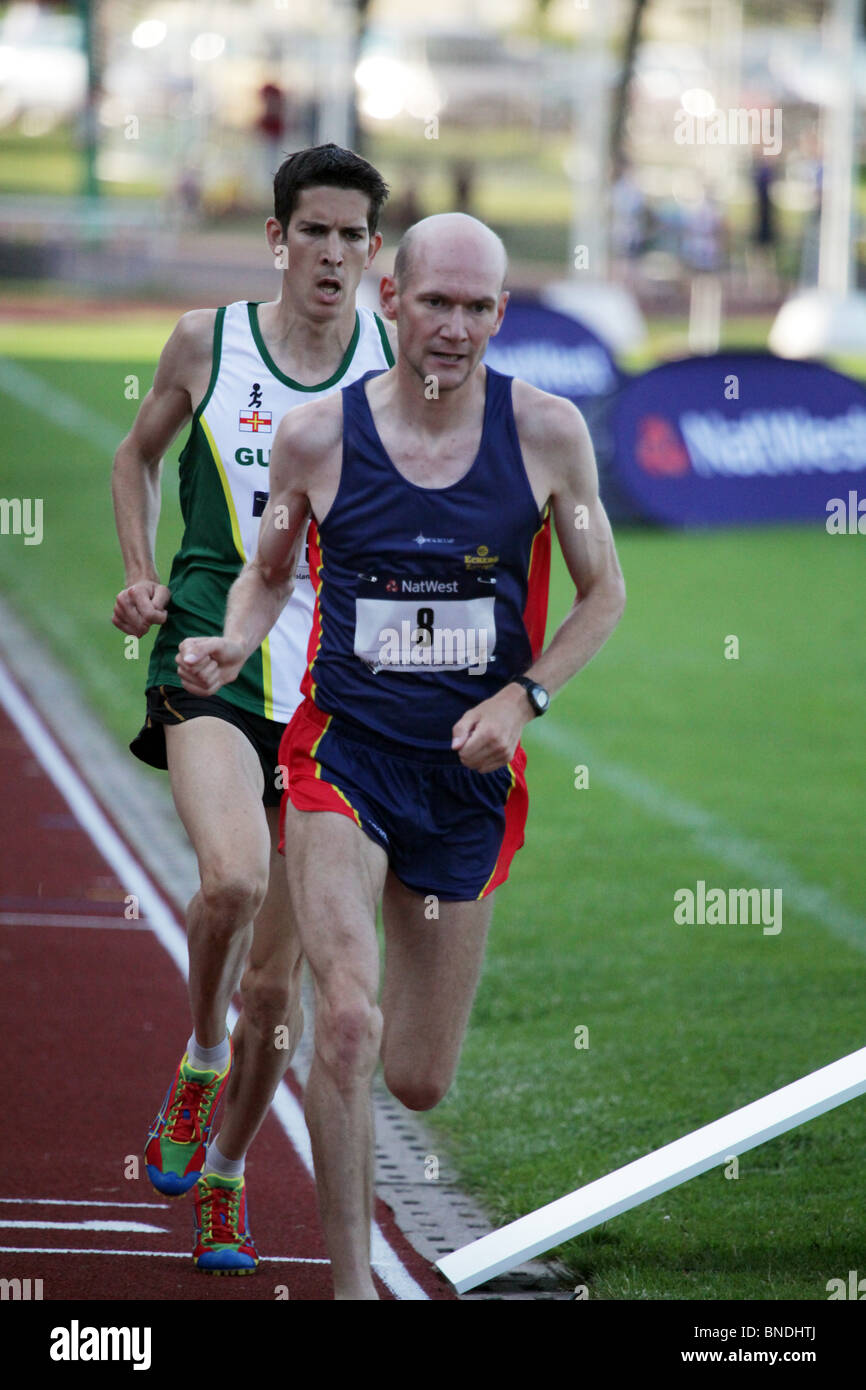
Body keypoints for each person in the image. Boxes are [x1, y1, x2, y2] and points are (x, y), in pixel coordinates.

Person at [176, 212, 626, 1298]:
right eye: (435, 302)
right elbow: (271, 570)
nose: (455, 328)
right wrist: (236, 636)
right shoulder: (320, 440)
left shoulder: (547, 433)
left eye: (477, 307)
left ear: (500, 316)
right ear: (392, 300)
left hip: (465, 779)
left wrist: (522, 699)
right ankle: (350, 1288)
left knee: (417, 1077)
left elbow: (601, 592)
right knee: (345, 1022)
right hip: (343, 755)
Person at [111, 143, 393, 1274]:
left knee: (285, 984)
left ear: (374, 254)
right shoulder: (206, 340)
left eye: (351, 236)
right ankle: (197, 1049)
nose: (331, 254)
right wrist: (137, 574)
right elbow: (132, 458)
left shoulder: (390, 362)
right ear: (277, 240)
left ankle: (225, 1170)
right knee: (231, 877)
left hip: (331, 689)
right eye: (312, 232)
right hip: (207, 656)